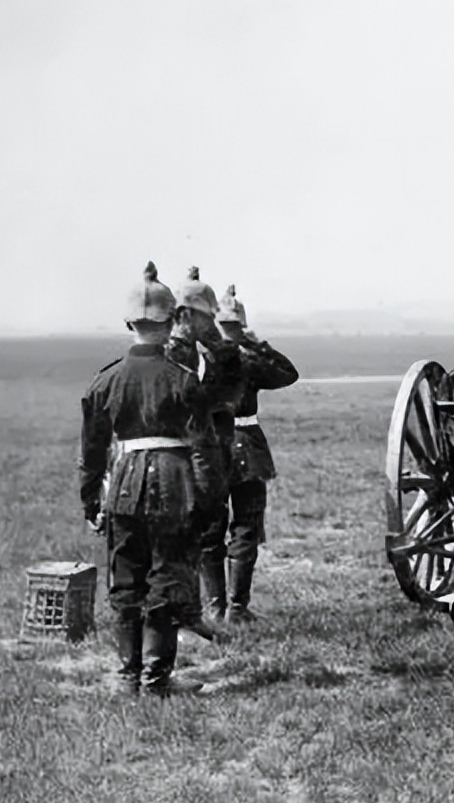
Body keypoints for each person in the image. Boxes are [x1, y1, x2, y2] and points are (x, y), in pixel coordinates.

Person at [78, 262, 212, 697]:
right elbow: (204, 450)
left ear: (129, 323)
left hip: (123, 485)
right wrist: (208, 502)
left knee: (126, 578)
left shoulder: (105, 381)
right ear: (172, 321)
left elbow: (91, 453)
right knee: (166, 576)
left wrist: (91, 502)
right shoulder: (185, 381)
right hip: (174, 486)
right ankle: (156, 679)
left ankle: (127, 676)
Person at [206, 285, 300, 623]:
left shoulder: (202, 358)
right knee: (245, 527)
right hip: (246, 446)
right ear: (241, 324)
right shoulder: (249, 359)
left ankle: (215, 607)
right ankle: (237, 608)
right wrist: (257, 344)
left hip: (209, 448)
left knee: (210, 527)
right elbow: (288, 373)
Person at [165, 267, 244, 642]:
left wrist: (222, 348)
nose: (211, 324)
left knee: (195, 537)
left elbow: (229, 393)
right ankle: (181, 618)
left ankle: (189, 614)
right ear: (185, 316)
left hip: (198, 455)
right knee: (180, 540)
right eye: (205, 317)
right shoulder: (172, 355)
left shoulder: (193, 353)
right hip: (179, 458)